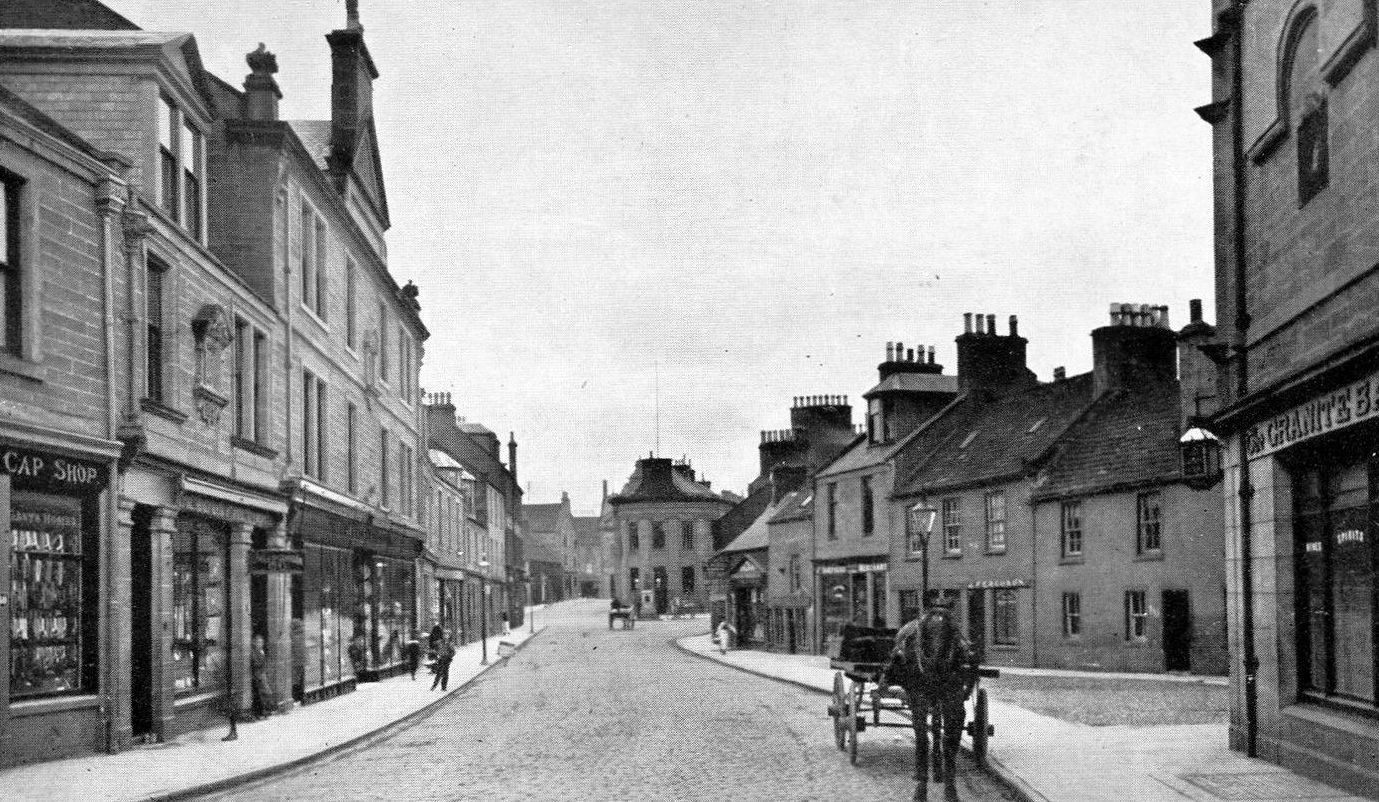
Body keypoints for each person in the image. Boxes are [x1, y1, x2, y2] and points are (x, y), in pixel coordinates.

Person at [250, 633, 276, 719]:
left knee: (266, 693)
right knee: (262, 694)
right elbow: (255, 663)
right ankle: (262, 712)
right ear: (254, 643)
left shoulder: (261, 651)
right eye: (259, 642)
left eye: (261, 642)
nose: (261, 644)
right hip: (258, 676)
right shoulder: (254, 652)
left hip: (262, 674)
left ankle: (266, 711)